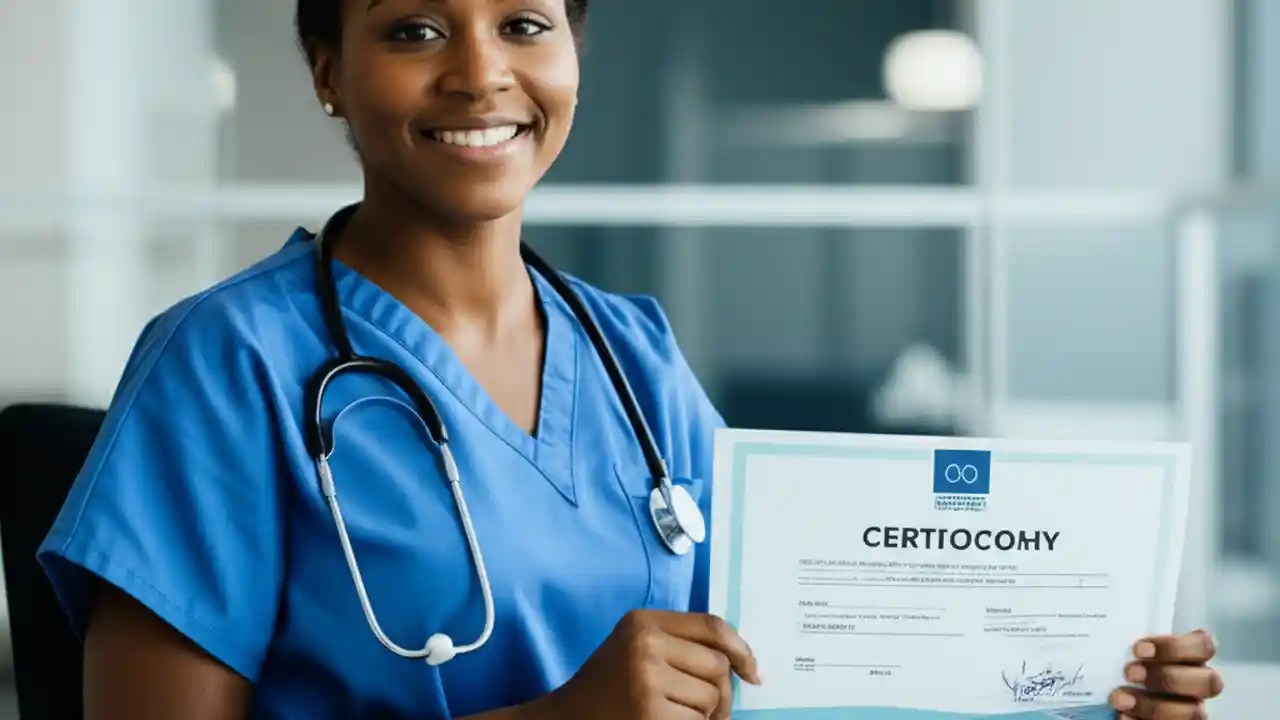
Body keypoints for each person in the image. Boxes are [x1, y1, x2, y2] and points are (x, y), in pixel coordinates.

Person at [35, 0, 1224, 718]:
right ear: (328, 71)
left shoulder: (631, 357)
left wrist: (1076, 686)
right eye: (412, 30)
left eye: (525, 24)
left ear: (573, 54)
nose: (478, 72)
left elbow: (804, 667)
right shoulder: (222, 365)